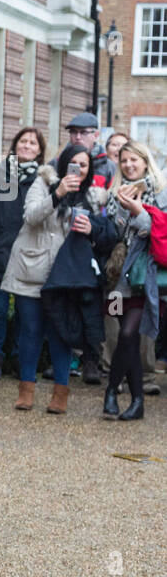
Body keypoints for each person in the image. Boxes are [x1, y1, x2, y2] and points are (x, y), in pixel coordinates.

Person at [2, 143, 108, 414]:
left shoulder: (94, 196)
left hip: (68, 277)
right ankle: (26, 390)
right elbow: (31, 217)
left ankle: (61, 393)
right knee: (31, 332)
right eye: (73, 164)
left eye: (83, 165)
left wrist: (92, 229)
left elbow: (107, 234)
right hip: (34, 269)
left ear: (89, 169)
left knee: (62, 334)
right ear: (63, 164)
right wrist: (58, 193)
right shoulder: (43, 182)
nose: (78, 170)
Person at [102, 140, 167, 420]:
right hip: (118, 278)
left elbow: (155, 233)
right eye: (124, 160)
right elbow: (116, 232)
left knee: (130, 334)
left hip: (147, 278)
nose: (129, 165)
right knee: (121, 338)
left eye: (134, 160)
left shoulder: (161, 193)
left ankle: (112, 391)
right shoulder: (116, 193)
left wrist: (139, 211)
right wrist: (120, 205)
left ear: (145, 161)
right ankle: (137, 400)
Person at [0, 127, 46, 380]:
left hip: (30, 255)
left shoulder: (44, 179)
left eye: (33, 142)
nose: (27, 146)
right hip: (0, 251)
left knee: (24, 311)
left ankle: (21, 358)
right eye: (23, 141)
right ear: (15, 145)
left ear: (40, 150)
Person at [51, 112, 115, 189]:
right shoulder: (56, 163)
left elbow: (113, 196)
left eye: (83, 132)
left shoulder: (108, 166)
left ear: (96, 135)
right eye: (74, 132)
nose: (78, 137)